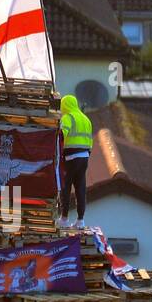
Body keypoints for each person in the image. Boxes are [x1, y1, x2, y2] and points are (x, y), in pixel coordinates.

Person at [58, 94, 92, 229]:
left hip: (70, 157)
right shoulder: (86, 119)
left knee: (65, 187)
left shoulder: (68, 117)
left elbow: (61, 136)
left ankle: (64, 219)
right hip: (84, 157)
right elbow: (90, 141)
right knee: (80, 187)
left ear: (64, 105)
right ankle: (80, 221)